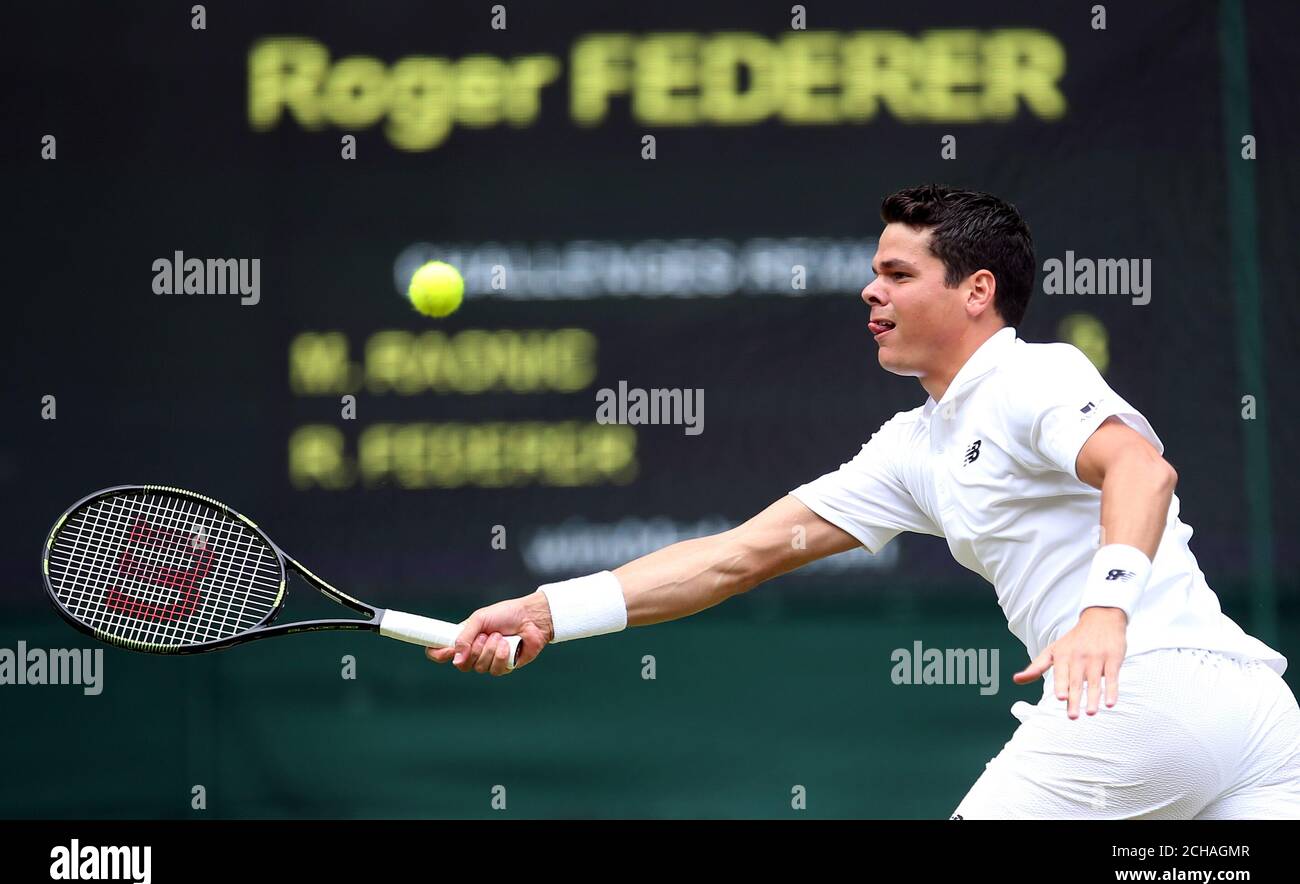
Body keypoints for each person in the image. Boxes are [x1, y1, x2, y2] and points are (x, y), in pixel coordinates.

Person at [427, 183, 1300, 819]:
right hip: (1248, 718)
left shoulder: (1035, 373)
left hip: (1140, 694)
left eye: (896, 271)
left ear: (977, 290)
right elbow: (738, 554)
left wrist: (1104, 613)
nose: (869, 290)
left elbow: (1142, 471)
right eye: (871, 272)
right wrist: (548, 610)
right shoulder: (910, 448)